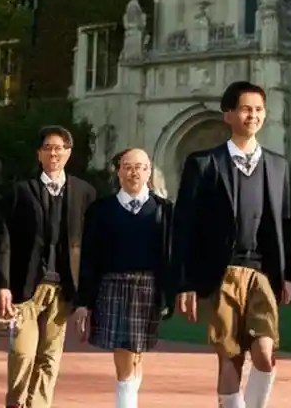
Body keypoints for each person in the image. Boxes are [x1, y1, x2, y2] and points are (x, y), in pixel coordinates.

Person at [171, 80, 291, 408]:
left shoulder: (278, 165)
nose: (252, 115)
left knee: (265, 355)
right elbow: (184, 226)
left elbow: (284, 222)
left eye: (258, 110)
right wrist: (184, 283)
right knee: (230, 357)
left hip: (263, 275)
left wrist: (287, 273)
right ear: (228, 115)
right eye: (245, 109)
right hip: (219, 274)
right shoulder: (203, 164)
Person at [0, 125, 98, 408]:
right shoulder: (20, 192)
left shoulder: (85, 192)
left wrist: (86, 296)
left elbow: (90, 247)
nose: (54, 153)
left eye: (59, 148)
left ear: (69, 153)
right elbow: (4, 240)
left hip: (63, 289)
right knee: (23, 353)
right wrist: (2, 284)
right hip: (25, 287)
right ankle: (16, 402)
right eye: (48, 148)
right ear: (39, 154)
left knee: (50, 356)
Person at [73, 148, 174, 408]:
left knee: (136, 356)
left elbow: (171, 256)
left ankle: (129, 399)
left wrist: (171, 294)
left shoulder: (164, 211)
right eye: (128, 166)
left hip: (149, 289)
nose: (134, 172)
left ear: (149, 171)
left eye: (140, 167)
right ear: (118, 171)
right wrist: (84, 301)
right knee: (126, 355)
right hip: (113, 287)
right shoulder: (101, 210)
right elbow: (89, 258)